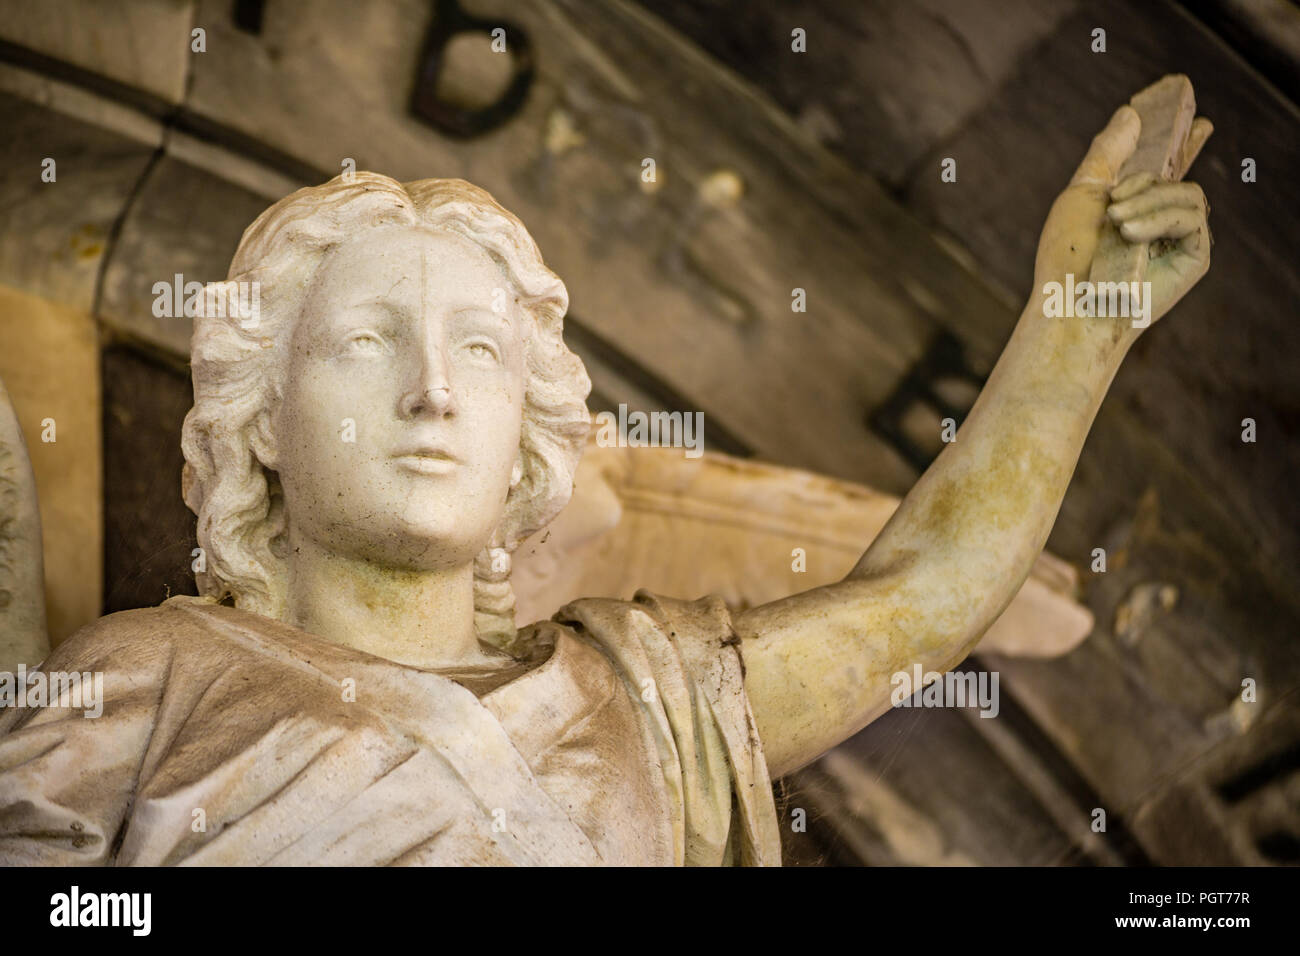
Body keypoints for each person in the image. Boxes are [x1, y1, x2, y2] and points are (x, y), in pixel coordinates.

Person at [0, 103, 1211, 865]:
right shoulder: (136, 691)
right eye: (366, 342)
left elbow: (928, 595)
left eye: (478, 349)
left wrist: (1083, 315)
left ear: (528, 431)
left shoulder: (647, 700)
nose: (433, 391)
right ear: (262, 418)